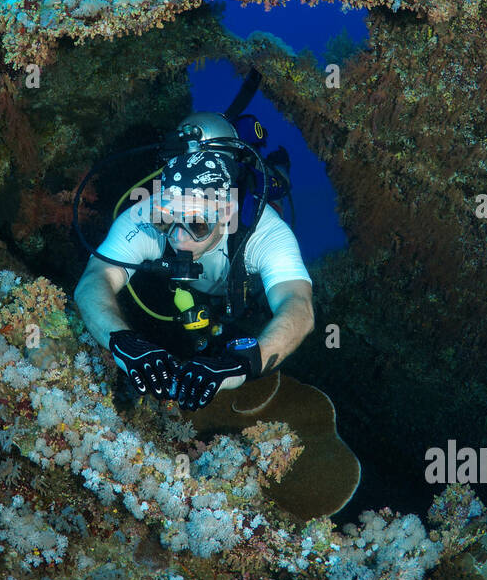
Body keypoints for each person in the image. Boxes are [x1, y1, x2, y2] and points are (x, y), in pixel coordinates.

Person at [74, 147, 315, 411]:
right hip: (189, 294)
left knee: (278, 186)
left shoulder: (266, 232)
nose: (178, 238)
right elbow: (94, 280)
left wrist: (244, 363)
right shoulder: (143, 217)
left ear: (226, 213)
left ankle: (278, 168)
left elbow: (299, 307)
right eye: (167, 220)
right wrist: (122, 340)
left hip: (239, 289)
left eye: (197, 225)